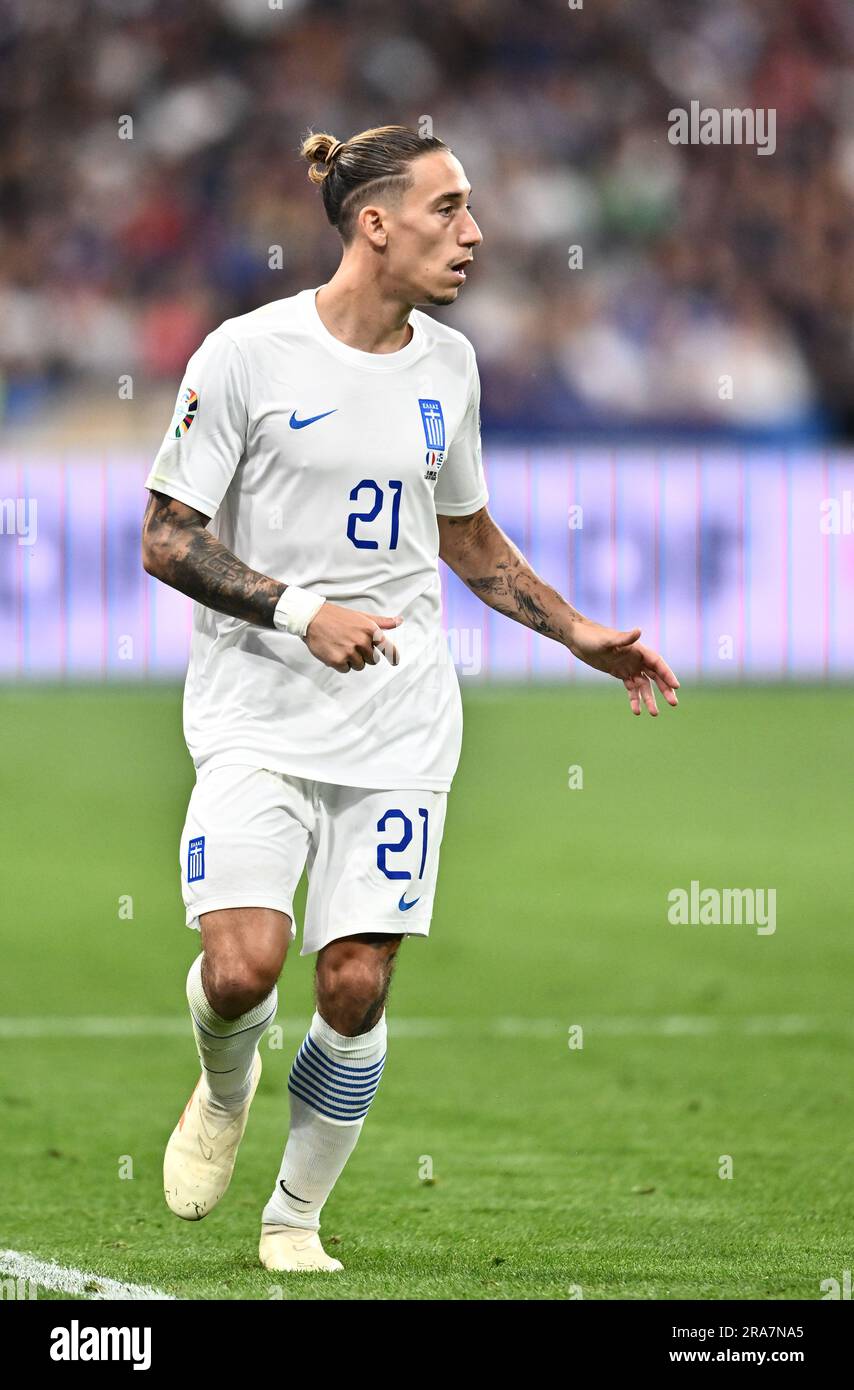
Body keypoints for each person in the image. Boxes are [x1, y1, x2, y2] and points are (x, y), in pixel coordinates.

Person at [141, 123, 679, 1274]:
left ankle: (292, 1216)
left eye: (471, 209)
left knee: (352, 980)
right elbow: (164, 537)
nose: (474, 233)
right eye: (449, 210)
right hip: (254, 707)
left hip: (397, 720)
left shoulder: (449, 366)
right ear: (374, 223)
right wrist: (298, 612)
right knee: (240, 968)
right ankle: (223, 1087)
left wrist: (580, 633)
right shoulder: (244, 355)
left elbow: (469, 541)